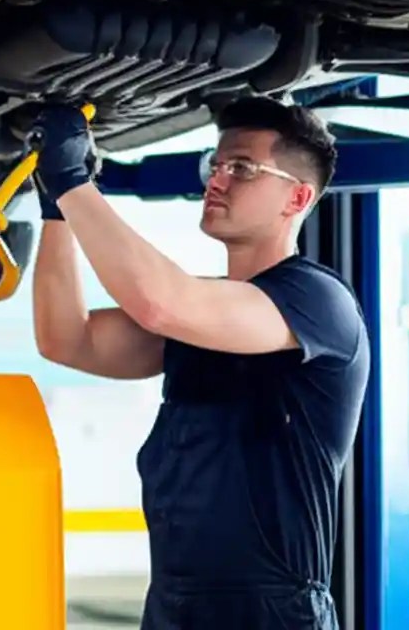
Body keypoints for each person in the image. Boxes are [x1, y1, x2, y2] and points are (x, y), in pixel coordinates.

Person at [28, 97, 370, 630]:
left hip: (270, 614)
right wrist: (57, 210)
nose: (218, 179)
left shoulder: (317, 301)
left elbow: (161, 302)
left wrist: (75, 182)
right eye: (217, 164)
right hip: (175, 603)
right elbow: (67, 338)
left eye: (242, 168)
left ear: (297, 197)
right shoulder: (201, 314)